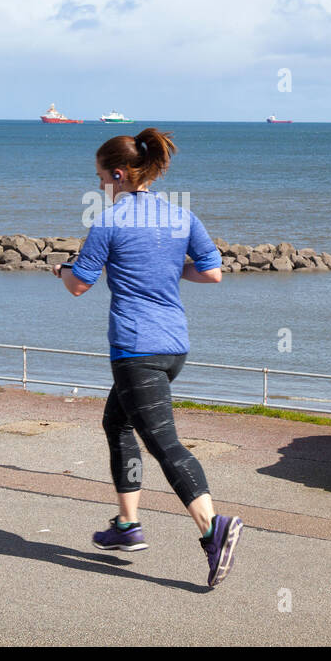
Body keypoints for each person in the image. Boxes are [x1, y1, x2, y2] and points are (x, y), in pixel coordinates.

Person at [52, 127, 243, 588]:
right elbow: (212, 273)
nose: (100, 185)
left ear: (118, 174)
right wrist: (165, 267)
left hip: (136, 349)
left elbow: (80, 285)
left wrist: (59, 270)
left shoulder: (110, 221)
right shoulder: (181, 217)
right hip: (174, 345)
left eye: (101, 177)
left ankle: (213, 527)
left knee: (164, 443)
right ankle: (127, 525)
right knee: (116, 424)